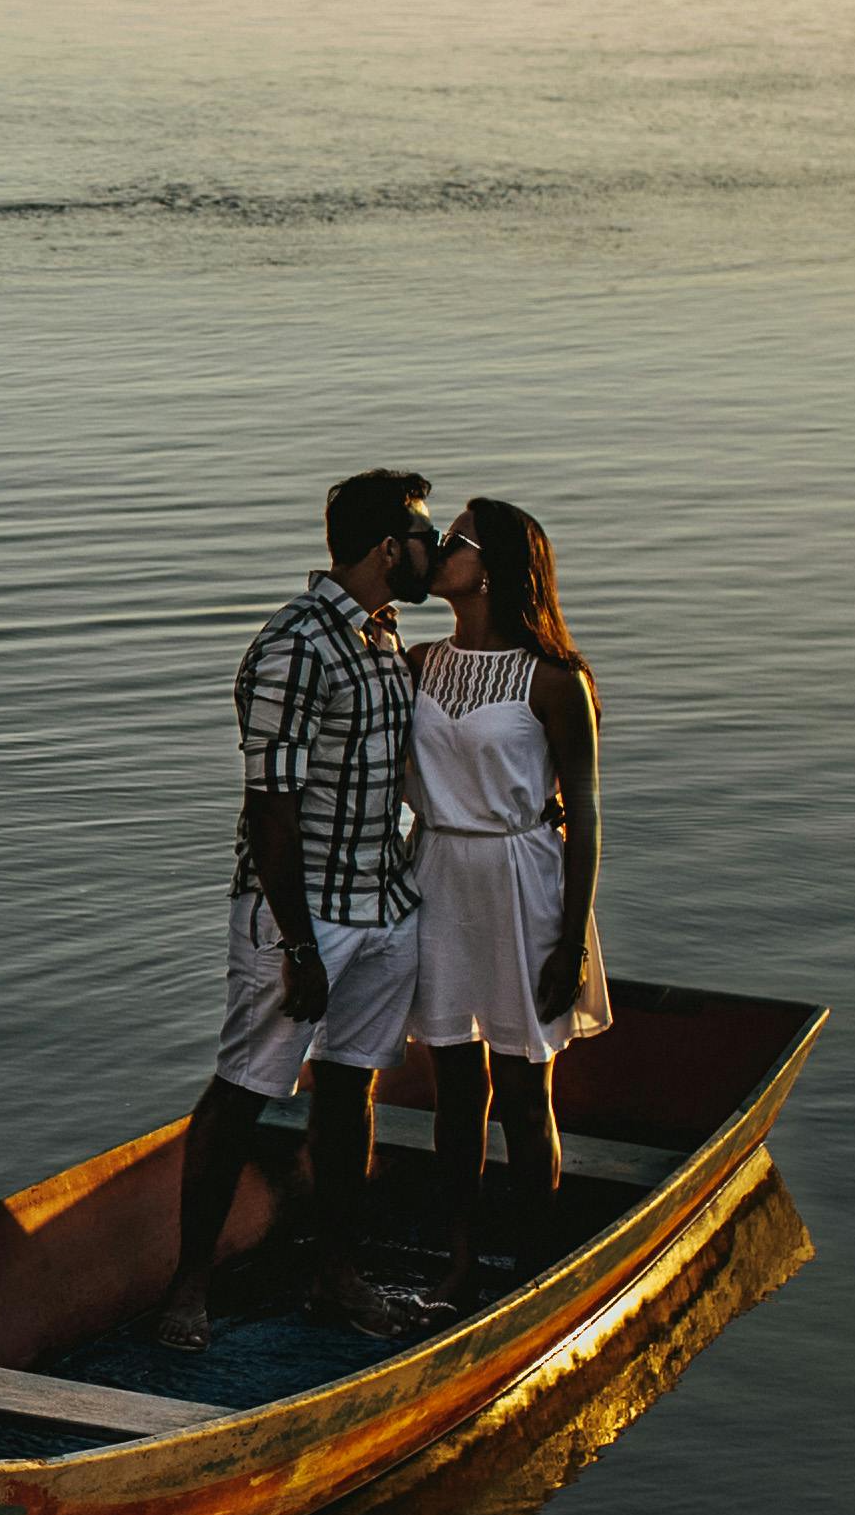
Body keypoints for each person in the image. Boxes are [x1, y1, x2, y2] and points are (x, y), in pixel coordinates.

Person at [158, 469, 442, 1353]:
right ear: (385, 547)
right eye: (423, 536)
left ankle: (335, 1272)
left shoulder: (384, 637)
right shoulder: (294, 646)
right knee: (243, 1088)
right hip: (305, 915)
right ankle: (188, 1286)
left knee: (350, 1092)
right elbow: (268, 809)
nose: (432, 553)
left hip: (384, 903)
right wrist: (297, 945)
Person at [406, 496, 609, 1301]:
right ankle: (458, 1267)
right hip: (439, 877)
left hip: (524, 882)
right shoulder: (416, 662)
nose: (438, 552)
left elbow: (586, 816)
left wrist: (571, 941)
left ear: (488, 566)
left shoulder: (555, 680)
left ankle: (532, 1272)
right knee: (454, 1093)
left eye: (450, 541)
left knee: (526, 1092)